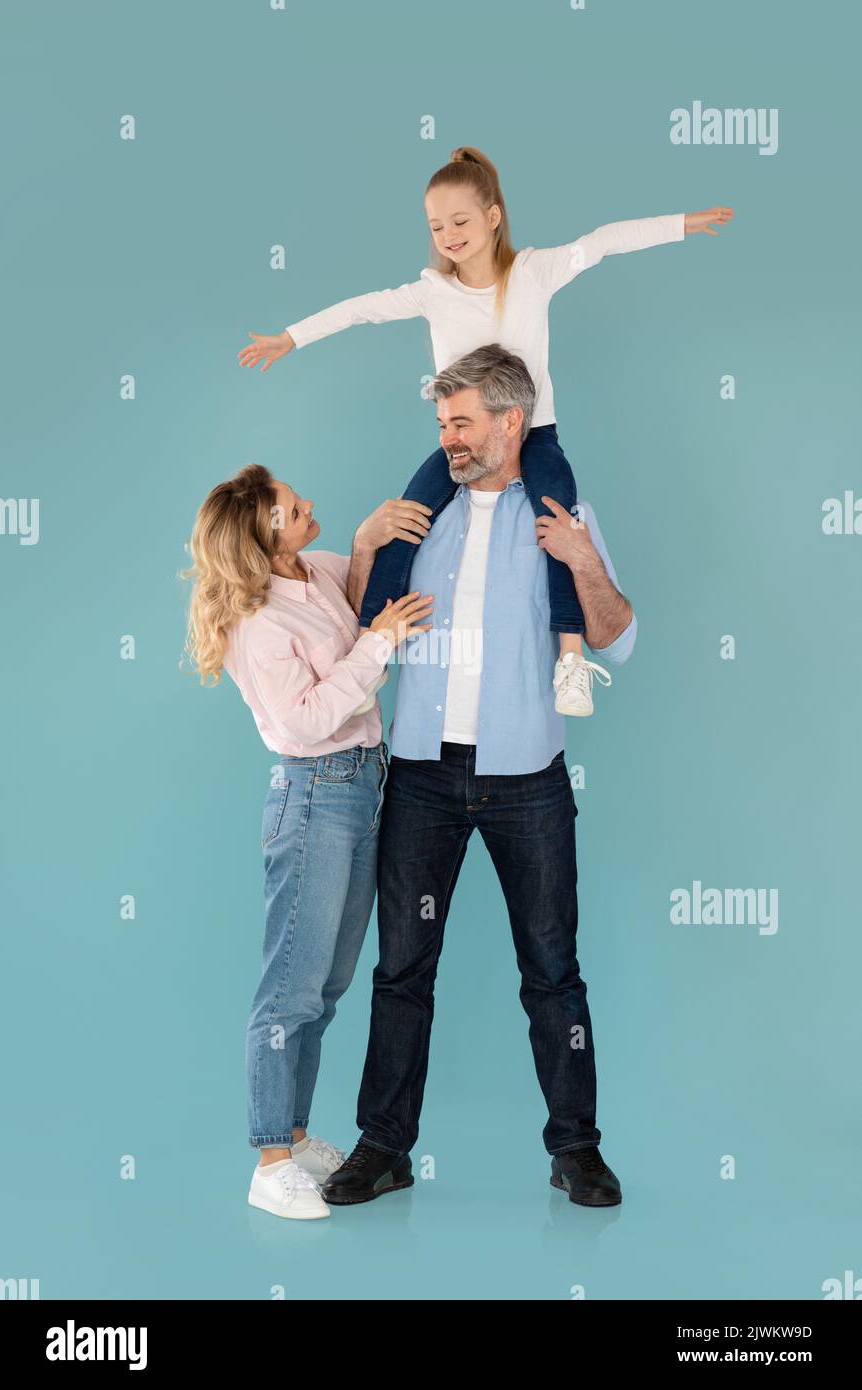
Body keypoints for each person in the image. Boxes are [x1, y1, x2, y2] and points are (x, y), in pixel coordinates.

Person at [238, 145, 730, 715]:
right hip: (462, 445)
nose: (448, 234)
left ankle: (571, 660)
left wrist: (683, 224)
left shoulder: (532, 273)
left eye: (461, 221)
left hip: (534, 434)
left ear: (493, 217)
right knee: (405, 520)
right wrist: (290, 338)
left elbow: (600, 242)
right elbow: (361, 309)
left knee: (560, 526)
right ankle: (369, 632)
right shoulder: (432, 292)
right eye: (436, 225)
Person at [321, 346, 636, 1209]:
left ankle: (576, 1149)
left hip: (527, 780)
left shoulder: (562, 514)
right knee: (400, 971)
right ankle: (382, 1147)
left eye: (461, 422)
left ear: (511, 423)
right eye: (441, 424)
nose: (448, 438)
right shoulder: (424, 517)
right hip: (421, 776)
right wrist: (361, 547)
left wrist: (581, 559)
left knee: (552, 972)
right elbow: (358, 628)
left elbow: (616, 633)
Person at [181, 465, 434, 1219]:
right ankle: (269, 1161)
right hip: (316, 793)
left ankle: (294, 1131)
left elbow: (354, 601)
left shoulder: (311, 572)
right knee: (287, 989)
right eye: (295, 509)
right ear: (266, 537)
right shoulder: (259, 622)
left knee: (324, 987)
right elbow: (306, 719)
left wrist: (361, 542)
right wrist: (382, 643)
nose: (309, 505)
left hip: (363, 787)